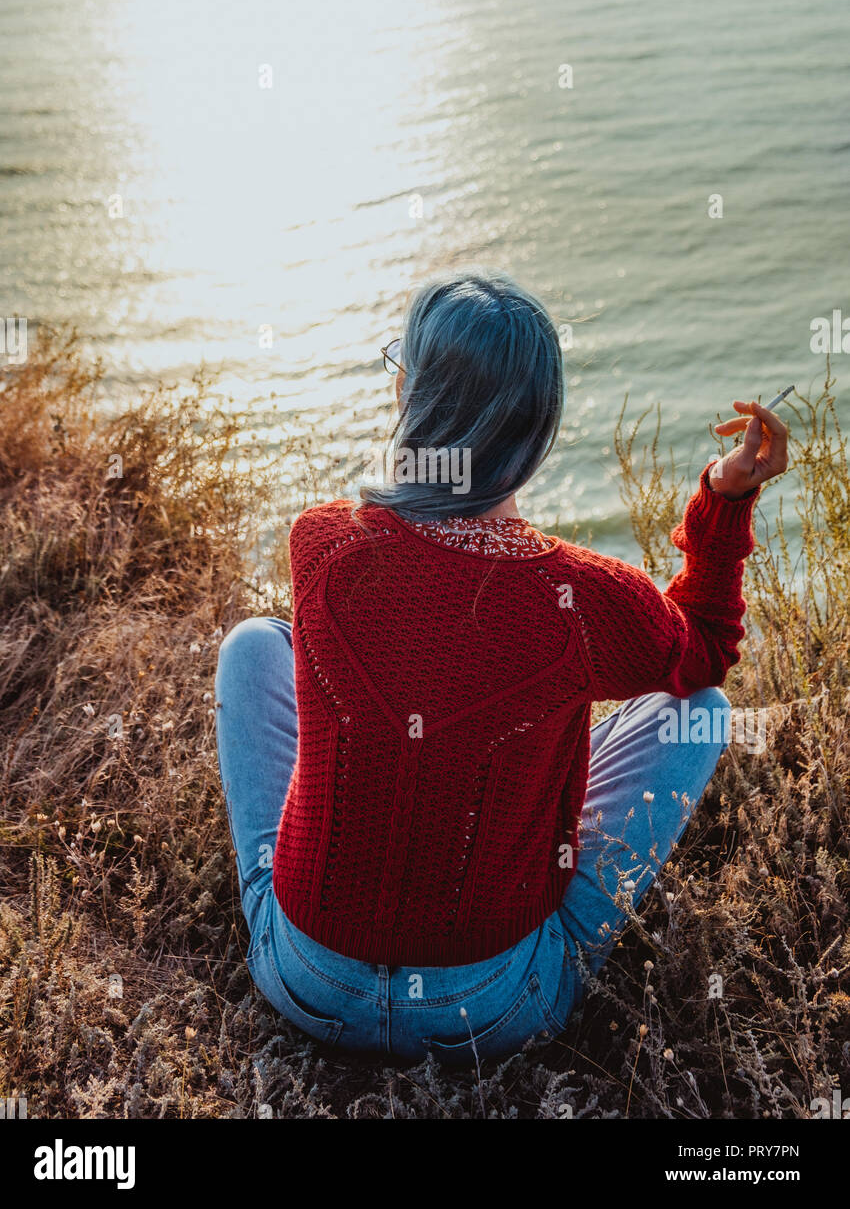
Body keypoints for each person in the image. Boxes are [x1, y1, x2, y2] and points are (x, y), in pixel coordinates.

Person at [215, 271, 788, 1066]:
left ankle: (284, 905)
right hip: (492, 1010)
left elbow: (420, 615)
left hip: (305, 980)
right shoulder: (584, 597)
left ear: (413, 401)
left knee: (252, 644)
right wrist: (725, 498)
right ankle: (553, 955)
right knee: (702, 706)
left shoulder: (320, 544)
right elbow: (704, 647)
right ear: (538, 427)